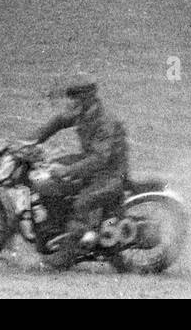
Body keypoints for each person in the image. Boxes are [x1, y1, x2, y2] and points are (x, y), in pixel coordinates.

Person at [25, 74, 129, 250]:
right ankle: (56, 226)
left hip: (111, 172)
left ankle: (86, 239)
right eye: (72, 98)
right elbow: (58, 122)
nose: (72, 102)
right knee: (50, 173)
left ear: (89, 97)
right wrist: (30, 142)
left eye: (77, 98)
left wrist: (67, 171)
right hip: (92, 164)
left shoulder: (105, 122)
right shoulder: (83, 112)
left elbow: (99, 159)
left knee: (81, 203)